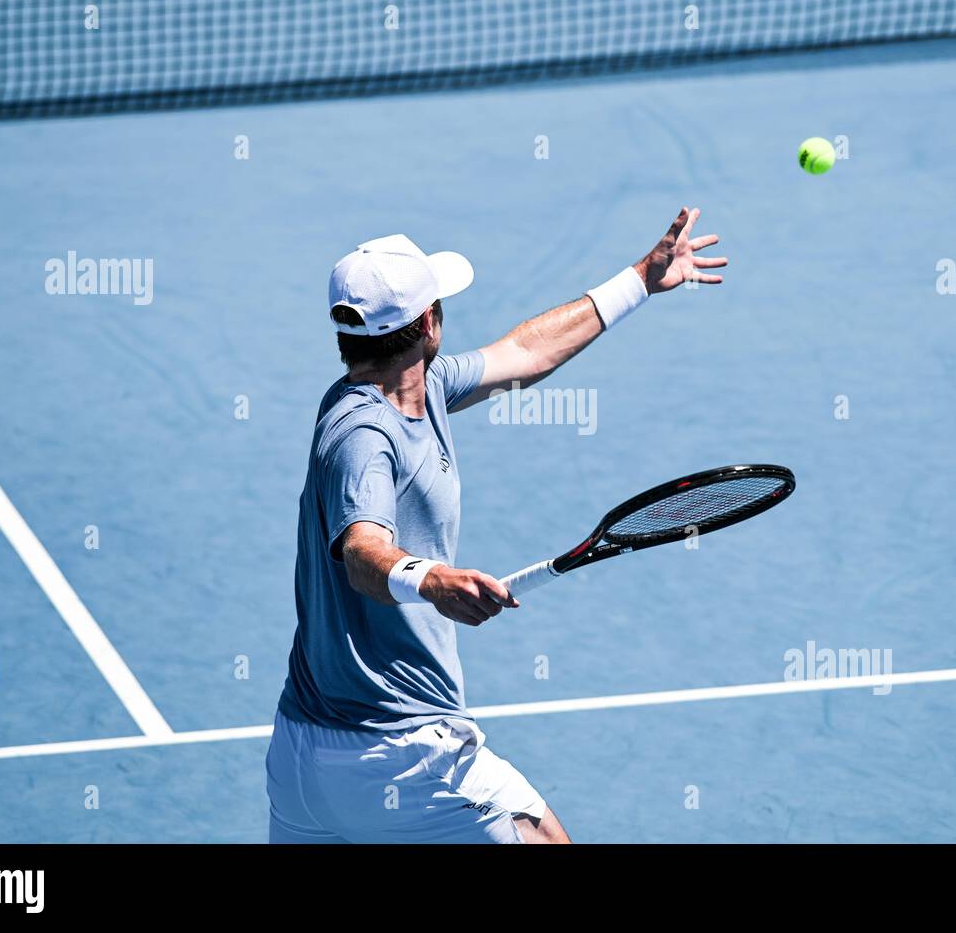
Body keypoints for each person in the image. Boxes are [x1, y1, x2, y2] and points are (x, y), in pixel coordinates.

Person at [266, 207, 726, 843]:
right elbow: (362, 552)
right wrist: (431, 580)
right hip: (400, 754)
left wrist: (639, 280)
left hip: (302, 762)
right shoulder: (365, 435)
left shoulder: (412, 391)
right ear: (429, 322)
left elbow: (525, 352)